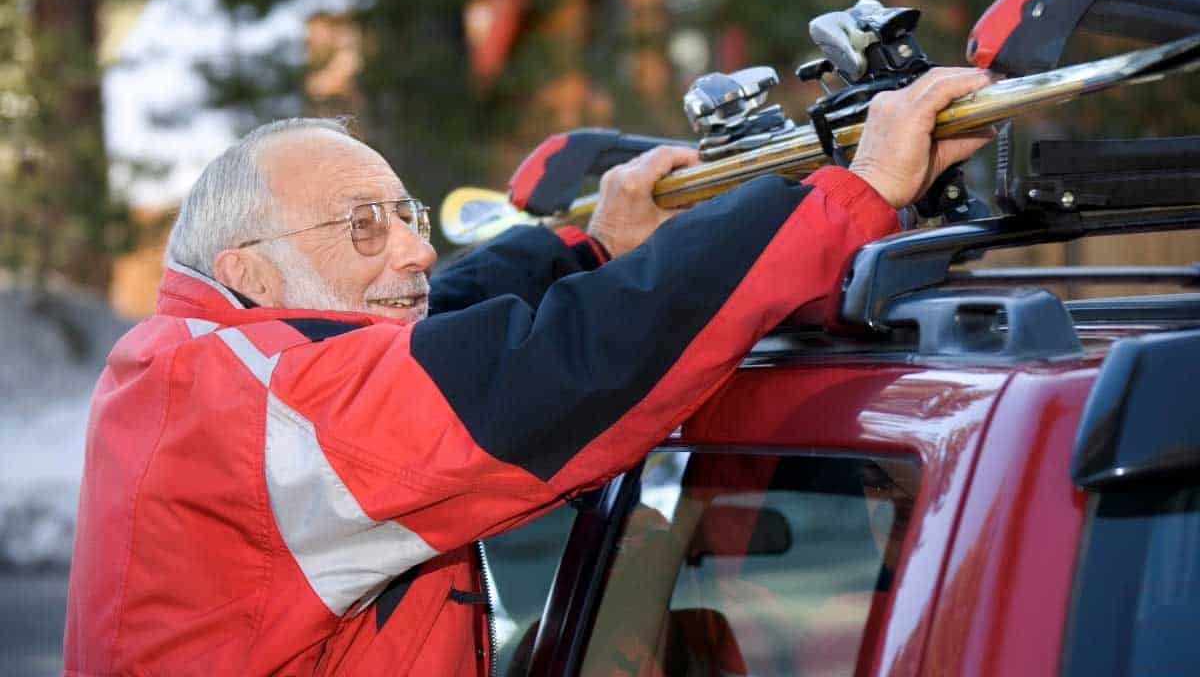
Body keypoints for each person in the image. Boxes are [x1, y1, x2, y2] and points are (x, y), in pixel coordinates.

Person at [63, 68, 992, 676]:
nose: (415, 255)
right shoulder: (271, 412)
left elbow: (435, 341)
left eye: (407, 217)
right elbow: (568, 364)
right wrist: (849, 194)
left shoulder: (195, 366)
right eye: (362, 226)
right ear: (249, 270)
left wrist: (590, 247)